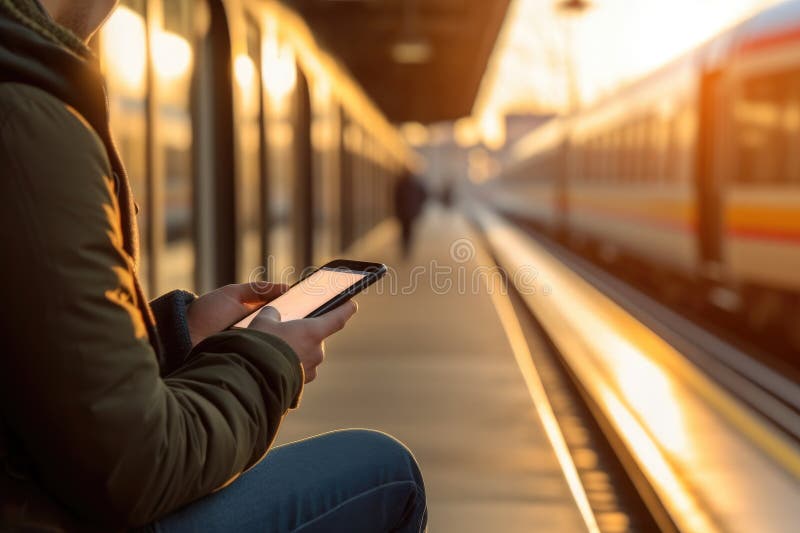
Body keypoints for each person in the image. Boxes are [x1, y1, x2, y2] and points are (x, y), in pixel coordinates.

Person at [0, 1, 427, 531]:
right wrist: (269, 362)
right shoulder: (32, 119)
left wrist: (180, 336)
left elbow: (44, 369)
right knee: (388, 474)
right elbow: (140, 470)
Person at [393, 173, 427, 259]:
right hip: (411, 212)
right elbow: (423, 196)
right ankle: (407, 247)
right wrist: (418, 207)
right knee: (409, 230)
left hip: (403, 212)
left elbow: (396, 198)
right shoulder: (415, 185)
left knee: (404, 230)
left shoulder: (400, 184)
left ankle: (405, 247)